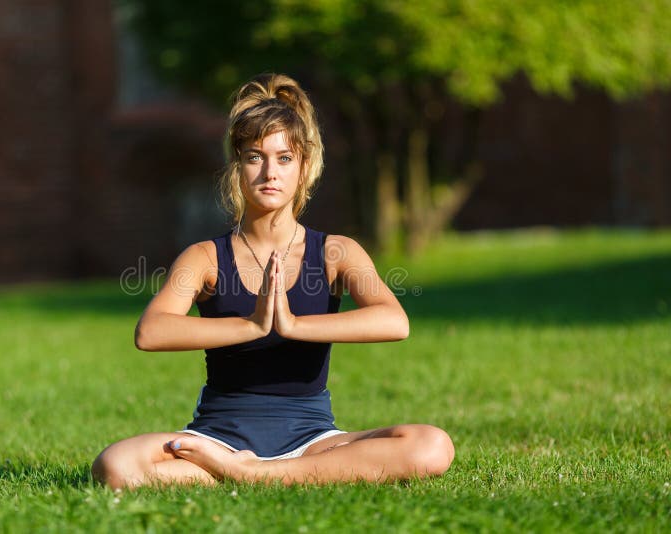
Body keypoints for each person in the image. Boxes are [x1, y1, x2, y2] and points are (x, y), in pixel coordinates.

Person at [91, 73, 454, 489]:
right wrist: (251, 325)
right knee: (116, 465)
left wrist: (293, 325)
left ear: (304, 168)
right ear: (237, 166)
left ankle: (250, 475)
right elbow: (151, 331)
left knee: (432, 445)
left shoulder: (337, 252)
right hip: (218, 438)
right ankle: (253, 471)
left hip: (312, 440)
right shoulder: (206, 257)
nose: (269, 172)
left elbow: (394, 322)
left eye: (284, 158)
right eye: (254, 156)